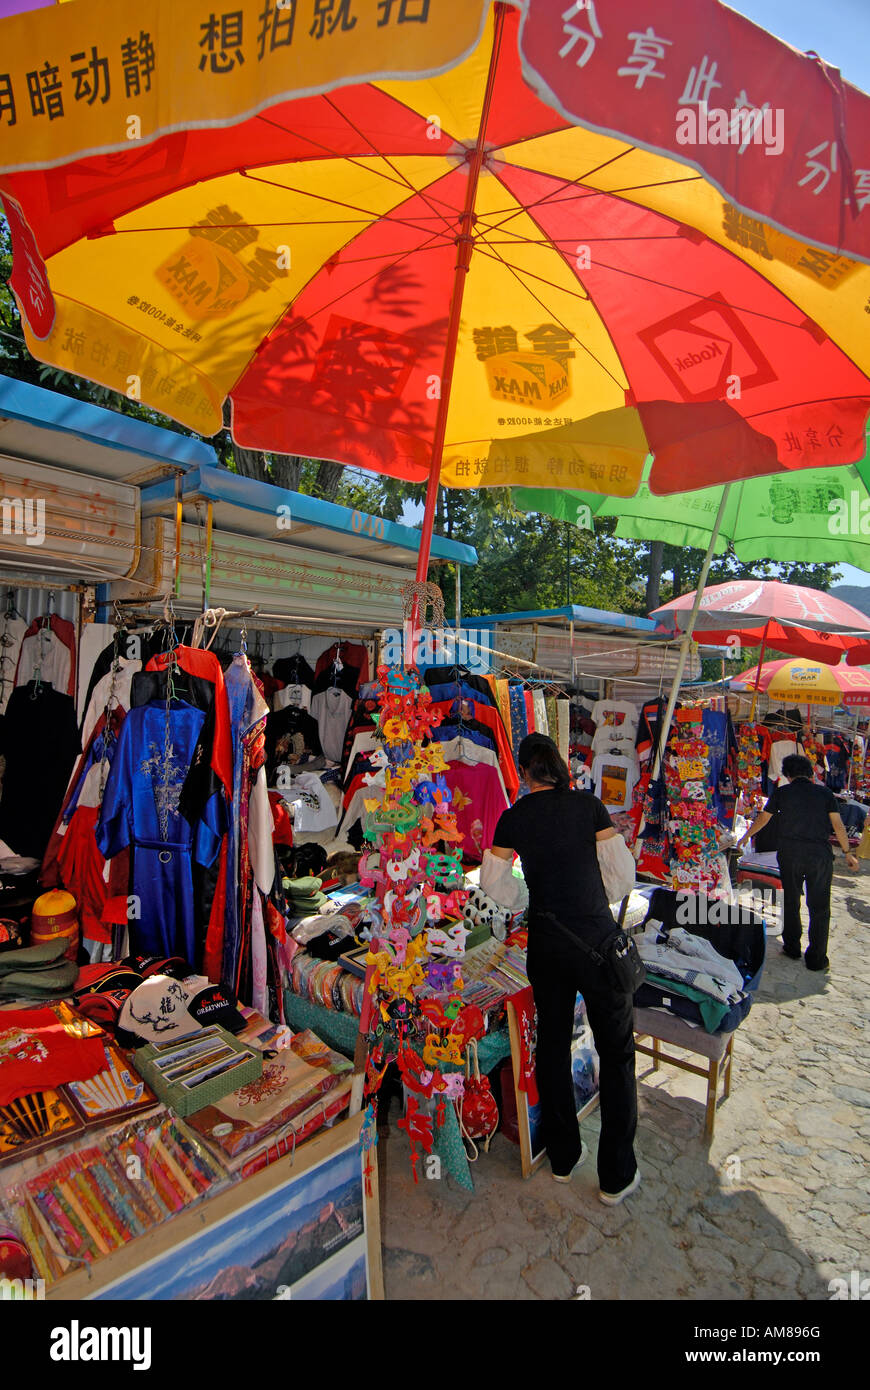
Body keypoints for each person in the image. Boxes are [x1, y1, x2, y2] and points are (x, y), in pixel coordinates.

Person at [489, 733, 639, 1205]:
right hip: (595, 942)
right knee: (616, 1054)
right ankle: (615, 1176)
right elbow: (621, 878)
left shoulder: (512, 818)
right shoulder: (589, 807)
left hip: (547, 946)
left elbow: (497, 886)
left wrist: (533, 899)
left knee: (551, 1047)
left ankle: (562, 1158)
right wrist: (591, 902)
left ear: (524, 772)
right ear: (556, 765)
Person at [737, 753, 859, 971]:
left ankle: (792, 947)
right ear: (810, 773)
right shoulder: (825, 793)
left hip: (790, 853)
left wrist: (746, 836)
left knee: (792, 900)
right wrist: (848, 852)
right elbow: (838, 825)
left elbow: (764, 818)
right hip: (818, 855)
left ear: (787, 775)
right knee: (820, 906)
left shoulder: (783, 793)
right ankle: (816, 958)